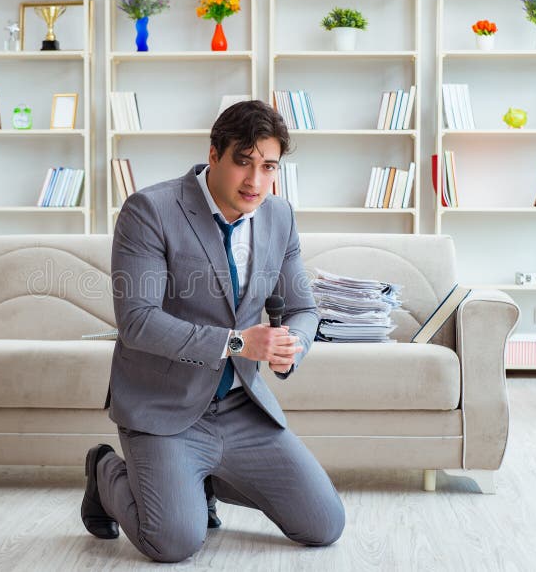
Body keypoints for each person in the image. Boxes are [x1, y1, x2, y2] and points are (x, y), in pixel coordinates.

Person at [81, 100, 345, 563]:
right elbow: (138, 320)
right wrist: (240, 342)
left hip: (241, 407)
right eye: (243, 162)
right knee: (174, 542)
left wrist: (293, 344)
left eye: (268, 167)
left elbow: (303, 307)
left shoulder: (279, 216)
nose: (255, 181)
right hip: (164, 409)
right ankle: (105, 473)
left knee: (324, 524)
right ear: (214, 153)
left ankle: (194, 480)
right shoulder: (150, 210)